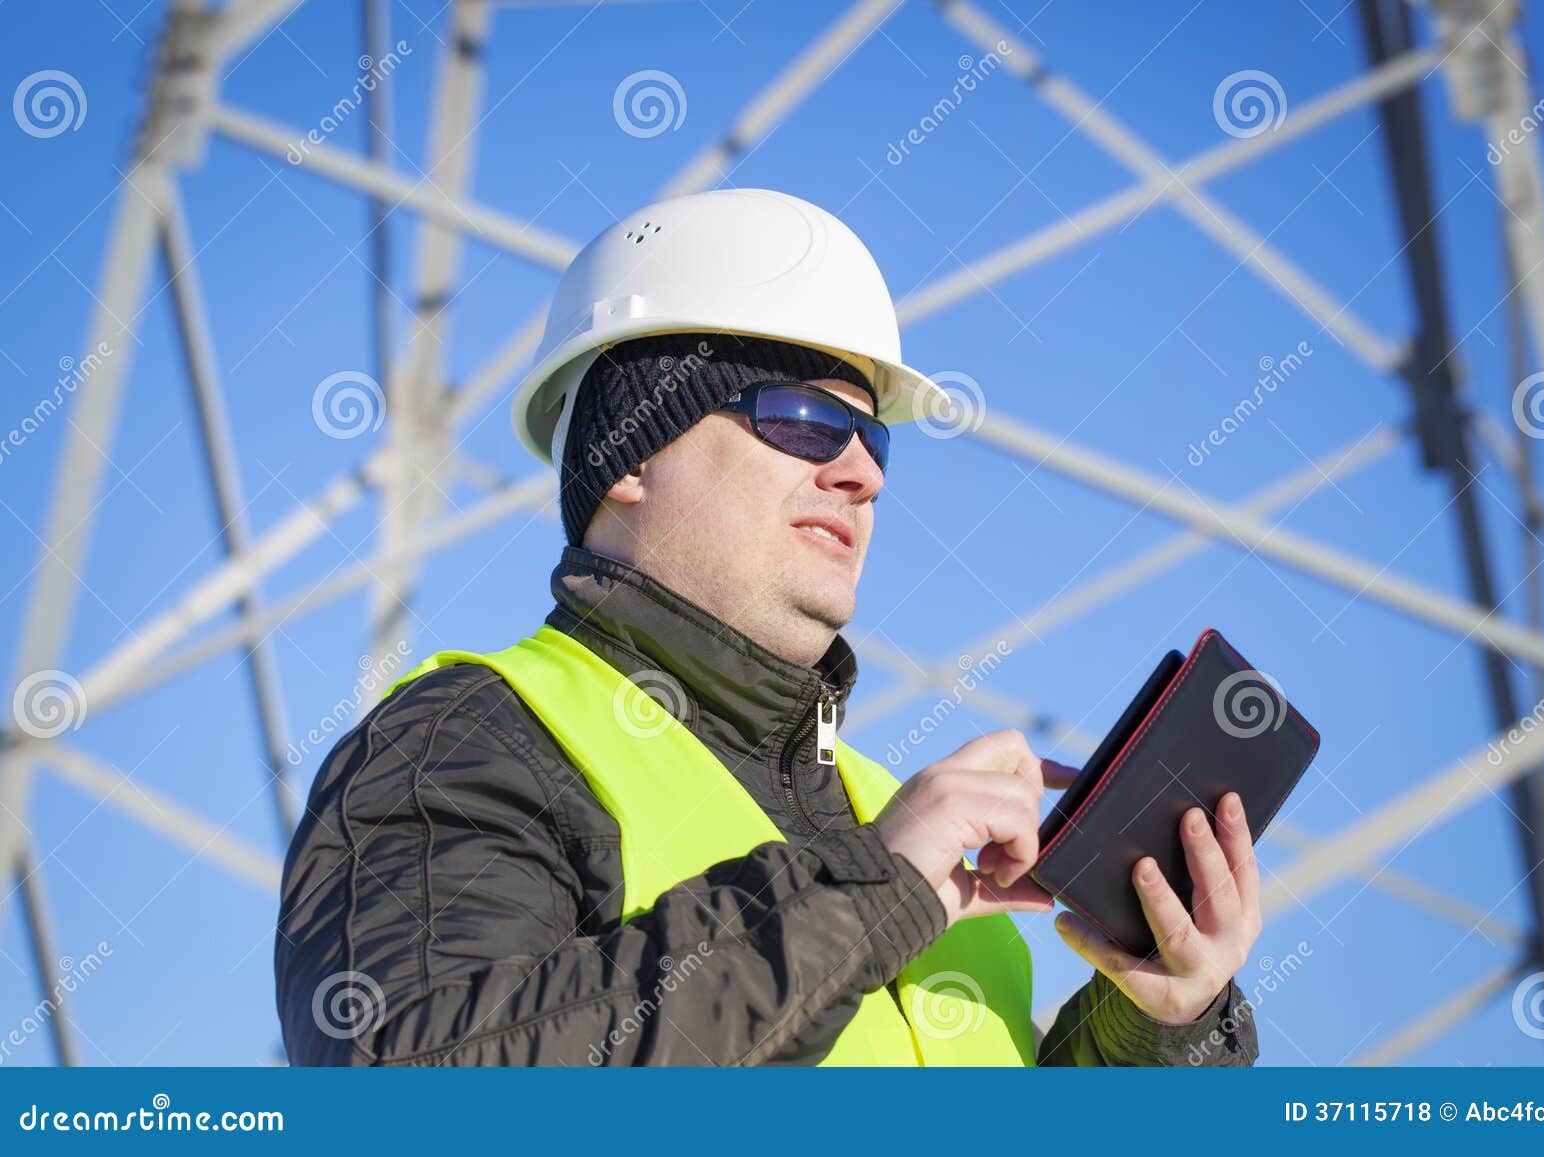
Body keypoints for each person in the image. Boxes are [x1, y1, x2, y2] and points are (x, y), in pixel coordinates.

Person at [274, 188, 1261, 1066]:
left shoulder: (893, 819)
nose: (862, 473)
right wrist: (863, 893)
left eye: (870, 439)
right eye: (801, 419)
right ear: (629, 454)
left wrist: (1155, 1024)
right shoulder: (471, 740)